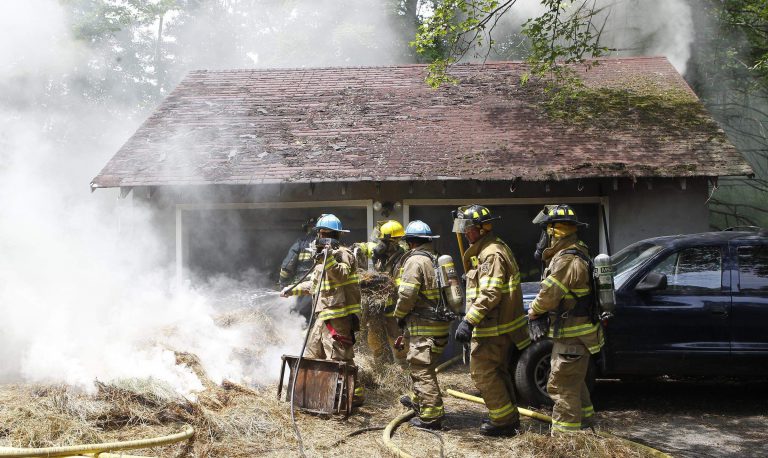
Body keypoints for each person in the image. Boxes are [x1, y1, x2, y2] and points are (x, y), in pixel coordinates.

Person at [452, 205, 530, 436]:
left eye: (468, 229)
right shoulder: (488, 249)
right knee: (497, 372)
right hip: (496, 326)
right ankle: (507, 417)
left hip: (493, 327)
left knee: (483, 372)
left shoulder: (491, 254)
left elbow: (490, 293)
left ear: (481, 229)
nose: (465, 234)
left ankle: (503, 421)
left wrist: (469, 321)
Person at [527, 204, 604, 434]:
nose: (542, 239)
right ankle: (586, 422)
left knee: (561, 385)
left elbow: (549, 294)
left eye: (545, 232)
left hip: (574, 334)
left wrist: (533, 311)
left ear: (554, 231)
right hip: (575, 334)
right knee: (574, 382)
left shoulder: (566, 259)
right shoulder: (575, 251)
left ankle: (566, 436)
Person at [280, 214, 364, 406]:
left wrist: (328, 258)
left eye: (325, 234)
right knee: (312, 354)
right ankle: (314, 395)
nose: (320, 237)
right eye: (320, 233)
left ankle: (354, 396)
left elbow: (340, 276)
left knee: (340, 359)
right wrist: (292, 289)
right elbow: (315, 284)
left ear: (335, 235)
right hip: (322, 316)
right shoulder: (322, 258)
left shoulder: (344, 254)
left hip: (339, 317)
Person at [393, 220, 451, 429]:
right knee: (424, 366)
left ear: (410, 242)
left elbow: (407, 294)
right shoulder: (435, 258)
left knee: (422, 370)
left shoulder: (415, 261)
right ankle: (419, 401)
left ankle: (432, 417)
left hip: (424, 326)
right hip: (439, 326)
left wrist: (399, 314)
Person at [354, 220, 409, 366]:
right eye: (381, 240)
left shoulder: (403, 258)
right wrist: (358, 248)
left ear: (395, 242)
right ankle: (380, 366)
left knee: (396, 338)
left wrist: (384, 283)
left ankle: (403, 369)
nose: (381, 244)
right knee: (374, 338)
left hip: (394, 309)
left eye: (385, 241)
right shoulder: (380, 252)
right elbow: (366, 246)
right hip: (376, 307)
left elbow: (400, 285)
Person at [278, 217, 317, 321]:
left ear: (306, 229)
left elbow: (287, 267)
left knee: (300, 317)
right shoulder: (326, 244)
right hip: (319, 287)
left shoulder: (301, 243)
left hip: (301, 286)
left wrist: (283, 284)